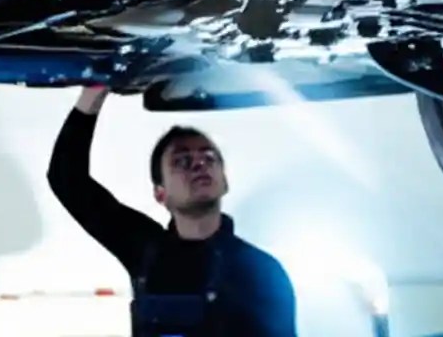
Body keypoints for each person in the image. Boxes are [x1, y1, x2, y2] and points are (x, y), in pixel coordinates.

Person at [47, 84, 298, 337]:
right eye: (182, 161)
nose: (199, 165)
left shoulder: (261, 272)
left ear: (225, 181)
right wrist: (92, 95)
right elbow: (67, 179)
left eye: (208, 158)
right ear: (160, 193)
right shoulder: (144, 248)